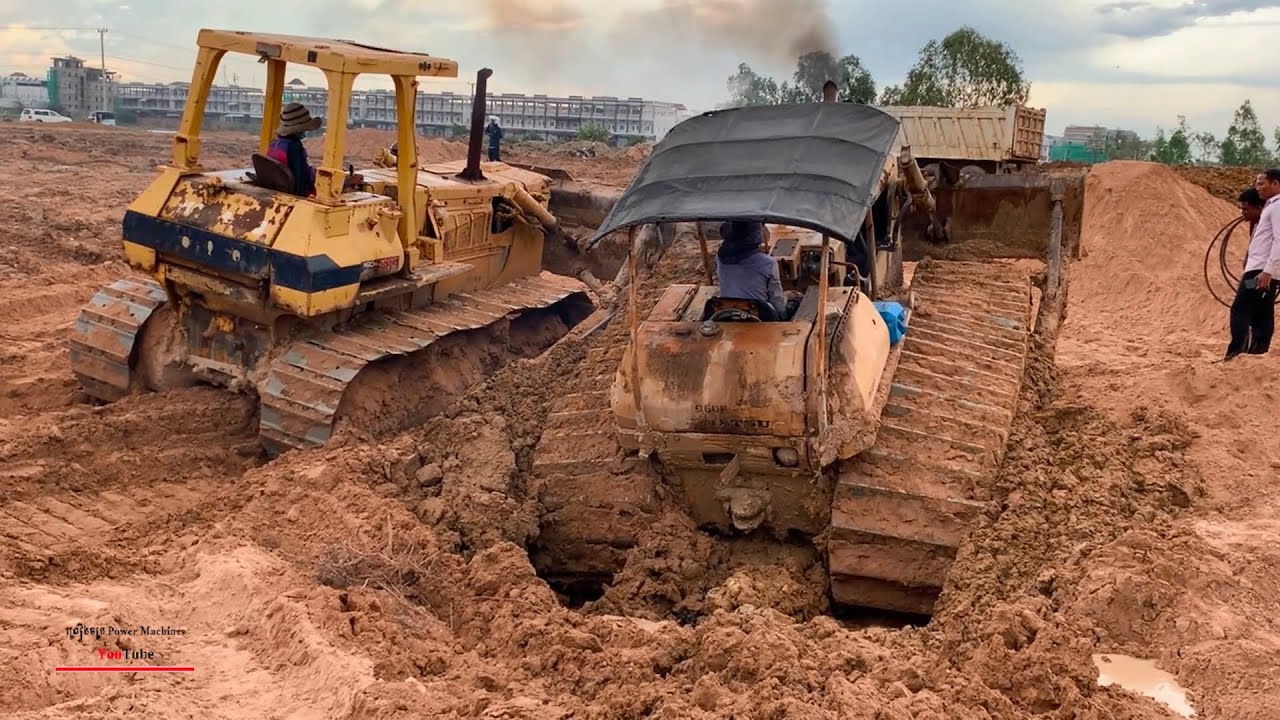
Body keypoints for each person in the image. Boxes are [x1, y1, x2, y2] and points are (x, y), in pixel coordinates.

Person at [1225, 171, 1280, 358]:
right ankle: (1258, 352)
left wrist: (1267, 271)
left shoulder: (1276, 207)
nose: (1258, 187)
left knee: (1240, 308)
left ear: (1275, 184)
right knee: (1262, 311)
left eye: (1261, 183)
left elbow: (1279, 240)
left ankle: (1236, 353)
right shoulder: (1272, 207)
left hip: (1259, 273)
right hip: (1266, 274)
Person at [714, 220, 800, 319]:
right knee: (796, 296)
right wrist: (783, 315)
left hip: (727, 313)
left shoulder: (719, 258)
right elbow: (777, 301)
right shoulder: (767, 263)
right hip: (761, 315)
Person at [265, 102, 322, 197]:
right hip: (299, 195)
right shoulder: (294, 147)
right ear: (298, 129)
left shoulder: (274, 143)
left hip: (278, 190)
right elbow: (302, 178)